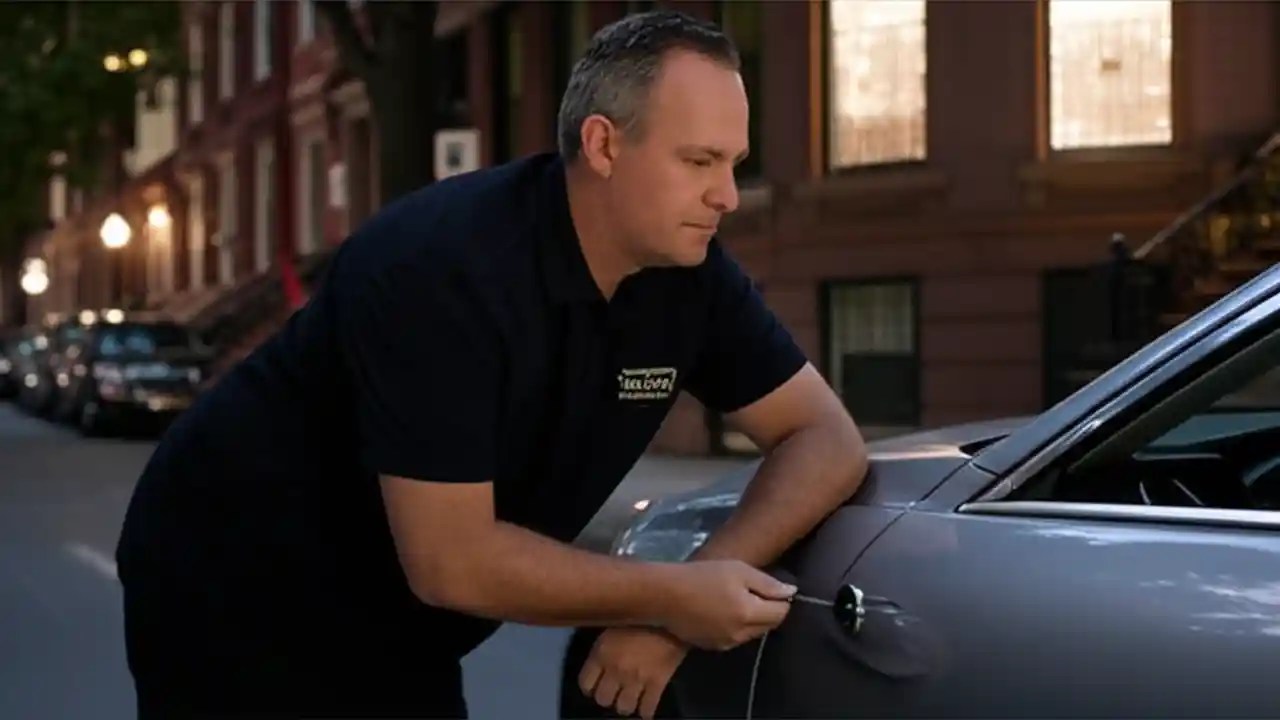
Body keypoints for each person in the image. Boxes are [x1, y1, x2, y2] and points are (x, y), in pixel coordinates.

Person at [114, 9, 868, 720]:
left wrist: (683, 605)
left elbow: (825, 440)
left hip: (406, 614)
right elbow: (454, 562)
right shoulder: (443, 268)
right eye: (699, 160)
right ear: (604, 145)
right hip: (236, 576)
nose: (727, 195)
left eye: (734, 163)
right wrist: (669, 597)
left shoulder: (690, 275)